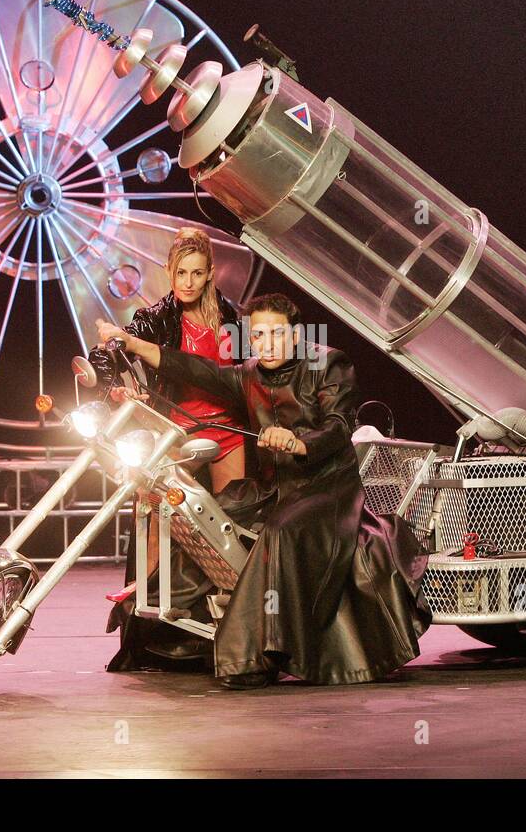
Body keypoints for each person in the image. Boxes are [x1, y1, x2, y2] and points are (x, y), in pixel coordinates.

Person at [95, 293, 431, 689]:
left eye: (276, 333)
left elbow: (340, 424)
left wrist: (299, 442)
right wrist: (130, 343)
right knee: (198, 513)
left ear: (295, 334)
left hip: (327, 489)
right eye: (258, 335)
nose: (267, 343)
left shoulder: (328, 363)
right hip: (276, 488)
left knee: (279, 532)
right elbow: (196, 369)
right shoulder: (250, 373)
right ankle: (172, 633)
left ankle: (251, 656)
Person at [88, 228, 249, 670]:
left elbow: (246, 376)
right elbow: (113, 348)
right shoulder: (156, 317)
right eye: (182, 272)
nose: (189, 282)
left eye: (198, 273)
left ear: (211, 273)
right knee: (156, 523)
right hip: (177, 432)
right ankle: (144, 628)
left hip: (228, 431)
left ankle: (232, 632)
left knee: (227, 528)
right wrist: (108, 379)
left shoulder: (231, 319)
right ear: (169, 272)